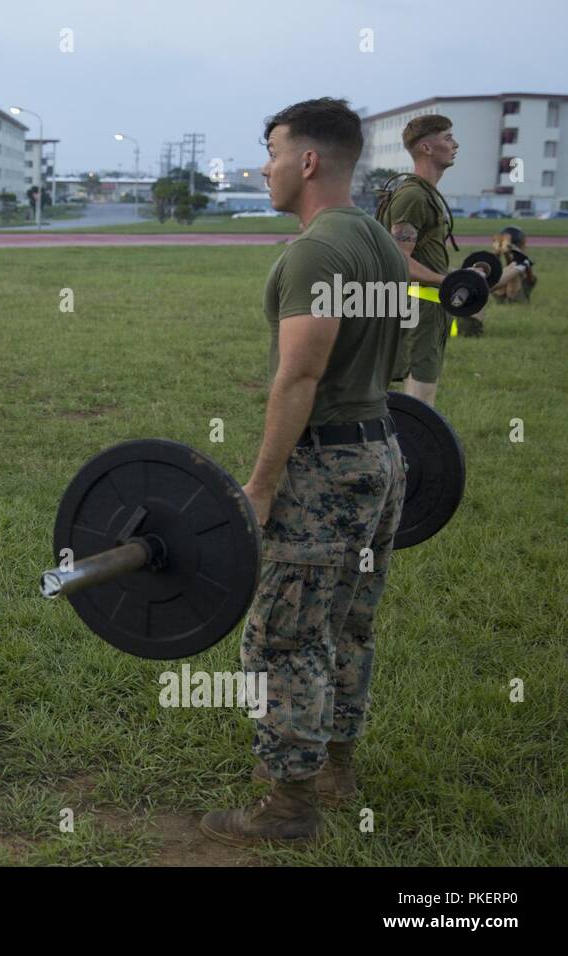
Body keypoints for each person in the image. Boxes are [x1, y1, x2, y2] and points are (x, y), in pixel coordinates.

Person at [199, 98, 410, 847]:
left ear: (309, 161)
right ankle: (333, 769)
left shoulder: (317, 251)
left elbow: (300, 376)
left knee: (286, 636)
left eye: (275, 151)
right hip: (381, 455)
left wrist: (258, 488)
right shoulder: (381, 246)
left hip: (323, 471)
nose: (266, 166)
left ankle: (288, 807)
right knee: (348, 621)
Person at [379, 115, 520, 405]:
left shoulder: (425, 193)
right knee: (421, 401)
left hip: (426, 305)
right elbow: (399, 261)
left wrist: (461, 274)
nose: (455, 144)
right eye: (447, 138)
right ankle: (416, 450)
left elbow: (420, 259)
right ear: (426, 148)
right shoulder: (414, 197)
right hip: (417, 308)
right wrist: (449, 281)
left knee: (415, 396)